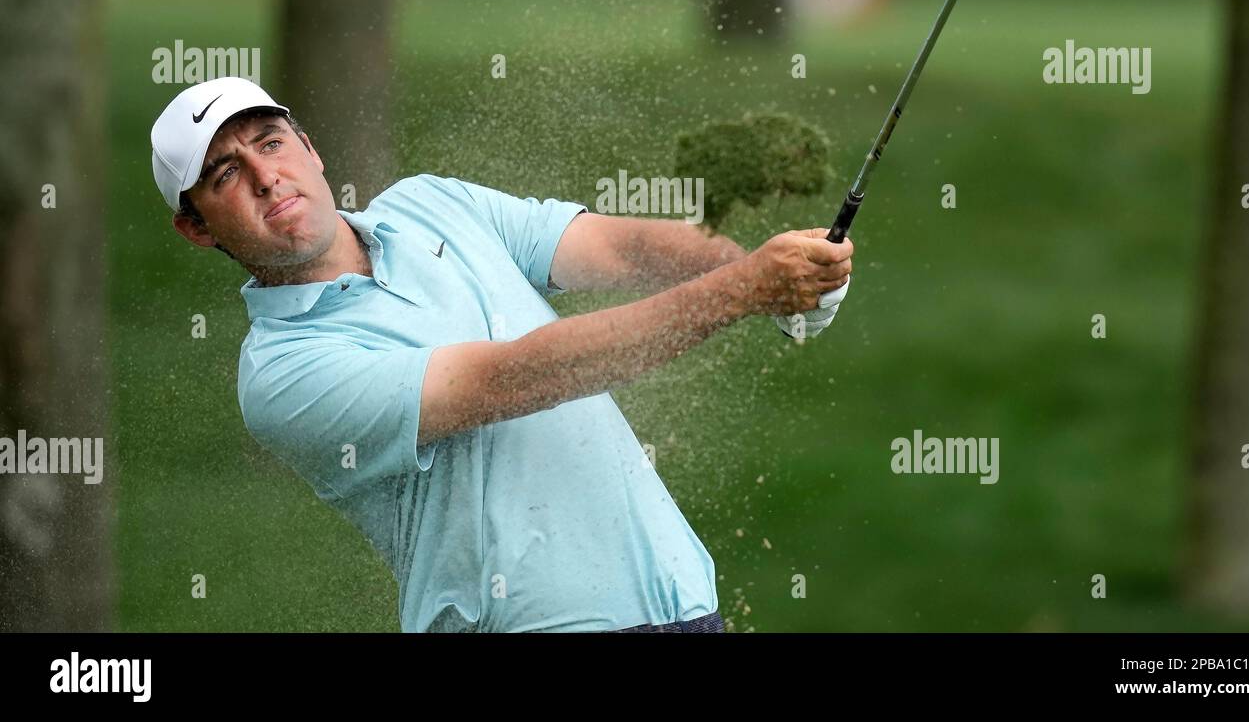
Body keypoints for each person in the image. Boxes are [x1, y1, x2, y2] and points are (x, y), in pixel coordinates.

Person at [150, 76, 852, 632]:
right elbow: (521, 376)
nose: (265, 176)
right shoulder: (284, 373)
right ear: (195, 228)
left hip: (682, 609)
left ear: (310, 149)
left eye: (270, 144)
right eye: (224, 175)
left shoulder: (432, 205)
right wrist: (743, 290)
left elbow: (616, 246)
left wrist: (779, 272)